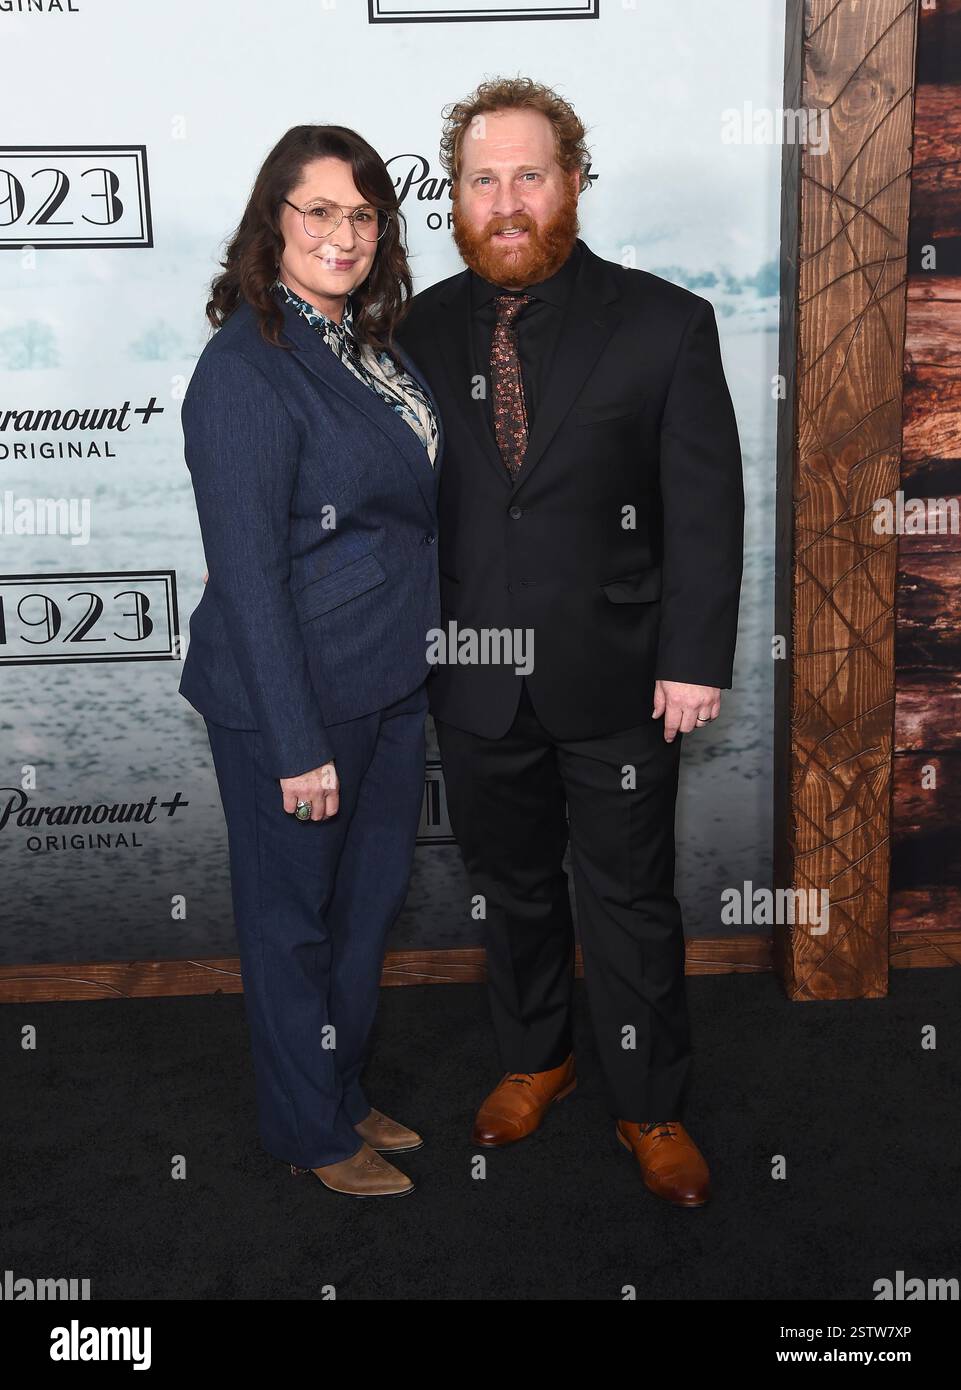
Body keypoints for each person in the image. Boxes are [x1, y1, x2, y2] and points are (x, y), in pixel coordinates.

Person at [397, 78, 744, 1208]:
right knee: (511, 890)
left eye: (528, 176)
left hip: (622, 680)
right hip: (474, 681)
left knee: (630, 898)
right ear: (454, 196)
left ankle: (650, 1107)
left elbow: (702, 507)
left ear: (575, 182)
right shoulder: (413, 327)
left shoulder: (663, 322)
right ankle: (535, 1057)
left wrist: (693, 656)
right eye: (481, 179)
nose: (505, 201)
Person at [179, 124, 442, 1198]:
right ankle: (306, 1127)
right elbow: (247, 576)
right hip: (292, 700)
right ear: (271, 223)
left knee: (365, 907)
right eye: (318, 211)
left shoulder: (370, 346)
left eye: (363, 214)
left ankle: (337, 1087)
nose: (344, 233)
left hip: (385, 679)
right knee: (293, 924)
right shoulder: (247, 366)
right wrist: (295, 744)